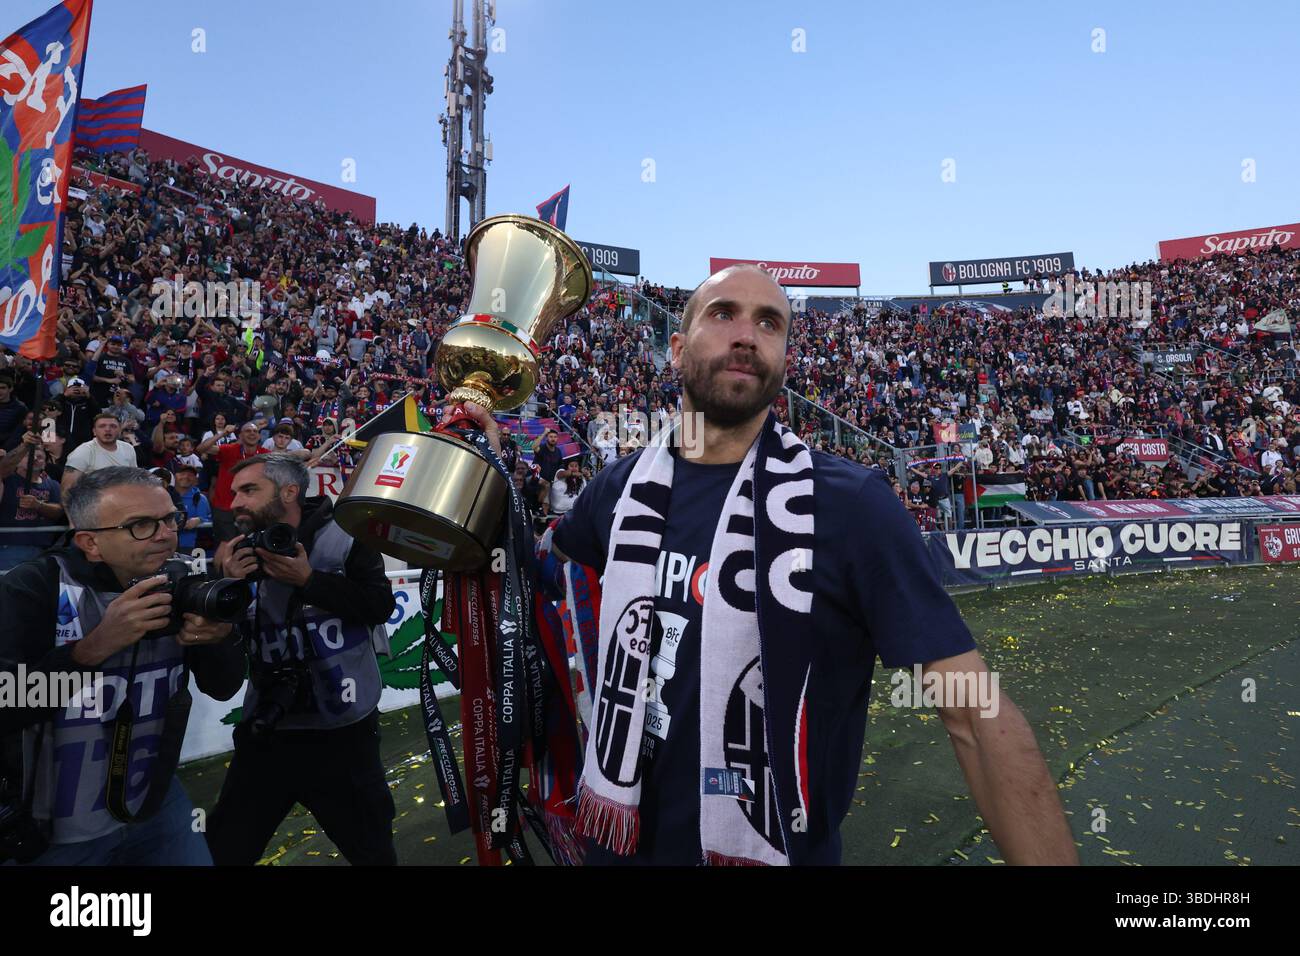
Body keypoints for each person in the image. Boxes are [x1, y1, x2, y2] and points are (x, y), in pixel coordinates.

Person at [473, 263, 1076, 866]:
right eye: (722, 313)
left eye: (769, 322)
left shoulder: (852, 506)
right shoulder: (618, 488)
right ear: (676, 350)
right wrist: (485, 474)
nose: (746, 334)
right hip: (615, 846)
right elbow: (537, 582)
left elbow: (973, 712)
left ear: (784, 358)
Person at [0, 467, 245, 865]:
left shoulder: (185, 579)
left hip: (155, 800)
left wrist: (220, 640)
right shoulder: (34, 587)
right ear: (90, 543)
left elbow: (224, 687)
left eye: (170, 518)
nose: (166, 534)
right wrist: (90, 650)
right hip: (51, 823)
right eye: (141, 525)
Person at [204, 453, 397, 866]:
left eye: (249, 490)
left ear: (289, 492)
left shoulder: (345, 535)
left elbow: (379, 605)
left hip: (345, 735)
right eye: (234, 492)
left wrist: (309, 582)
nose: (235, 501)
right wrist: (226, 589)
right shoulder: (234, 553)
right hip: (267, 731)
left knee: (373, 854)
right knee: (225, 851)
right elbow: (222, 670)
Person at [0, 433, 64, 571]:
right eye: (29, 455)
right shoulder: (7, 479)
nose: (35, 458)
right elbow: (2, 468)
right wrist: (24, 446)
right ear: (19, 460)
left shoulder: (53, 484)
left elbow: (58, 511)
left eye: (40, 456)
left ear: (45, 462)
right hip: (10, 547)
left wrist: (38, 505)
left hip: (42, 549)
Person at [61, 414, 139, 495]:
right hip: (93, 503)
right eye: (102, 426)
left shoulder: (128, 448)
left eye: (113, 426)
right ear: (94, 431)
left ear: (119, 430)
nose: (108, 429)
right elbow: (67, 489)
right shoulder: (82, 452)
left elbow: (134, 480)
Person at [173, 464, 211, 553]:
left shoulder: (200, 499)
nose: (186, 477)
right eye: (182, 473)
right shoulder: (166, 495)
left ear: (195, 480)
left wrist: (199, 520)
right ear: (175, 476)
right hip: (166, 546)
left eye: (190, 475)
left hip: (190, 546)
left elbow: (209, 518)